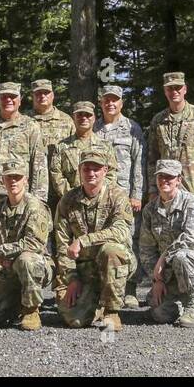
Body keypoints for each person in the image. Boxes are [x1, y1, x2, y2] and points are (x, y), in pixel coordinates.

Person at [146, 71, 194, 308]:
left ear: (185, 89)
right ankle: (171, 283)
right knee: (166, 236)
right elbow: (151, 158)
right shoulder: (159, 120)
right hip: (167, 189)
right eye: (170, 88)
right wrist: (152, 190)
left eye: (178, 87)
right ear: (165, 91)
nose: (174, 91)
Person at [53, 146, 135, 331]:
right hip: (85, 270)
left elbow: (121, 231)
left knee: (110, 251)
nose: (91, 173)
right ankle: (95, 301)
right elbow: (62, 245)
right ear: (80, 170)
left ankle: (111, 311)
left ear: (105, 170)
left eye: (96, 168)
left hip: (115, 263)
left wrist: (83, 240)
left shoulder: (118, 196)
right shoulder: (68, 201)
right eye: (86, 168)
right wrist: (72, 278)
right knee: (73, 319)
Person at [0, 159, 53, 331]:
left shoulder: (35, 207)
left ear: (26, 180)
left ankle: (31, 310)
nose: (13, 181)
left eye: (17, 177)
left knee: (26, 259)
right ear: (2, 181)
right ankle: (15, 303)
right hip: (8, 268)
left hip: (37, 265)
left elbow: (34, 243)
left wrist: (3, 252)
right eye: (9, 178)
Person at [138, 160, 194, 327]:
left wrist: (164, 257)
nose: (164, 180)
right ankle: (178, 302)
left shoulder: (191, 203)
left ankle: (191, 306)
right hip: (169, 270)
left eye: (169, 177)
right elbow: (146, 249)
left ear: (179, 180)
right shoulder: (150, 210)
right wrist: (157, 280)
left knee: (182, 256)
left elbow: (192, 238)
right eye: (161, 176)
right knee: (159, 313)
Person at [94, 85, 144, 308]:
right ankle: (104, 288)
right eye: (107, 100)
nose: (110, 103)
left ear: (121, 103)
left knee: (129, 240)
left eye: (115, 100)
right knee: (102, 240)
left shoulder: (132, 128)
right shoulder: (94, 129)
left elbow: (139, 163)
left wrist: (137, 194)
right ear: (101, 102)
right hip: (101, 197)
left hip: (124, 196)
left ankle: (130, 288)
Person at [0, 82, 49, 219]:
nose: (8, 100)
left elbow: (39, 166)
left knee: (23, 240)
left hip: (22, 199)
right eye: (4, 96)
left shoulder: (31, 127)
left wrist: (39, 200)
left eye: (12, 96)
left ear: (20, 100)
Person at [48, 101, 115, 210]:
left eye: (88, 115)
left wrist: (97, 194)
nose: (84, 118)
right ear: (73, 118)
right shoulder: (61, 147)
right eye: (79, 115)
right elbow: (56, 174)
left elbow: (111, 173)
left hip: (99, 204)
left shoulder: (105, 146)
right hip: (70, 204)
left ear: (94, 118)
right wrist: (71, 196)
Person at [27, 79, 73, 170]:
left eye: (46, 92)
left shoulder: (66, 120)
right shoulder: (25, 120)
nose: (42, 96)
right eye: (38, 93)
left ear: (52, 95)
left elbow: (74, 151)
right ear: (32, 96)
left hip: (59, 177)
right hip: (32, 176)